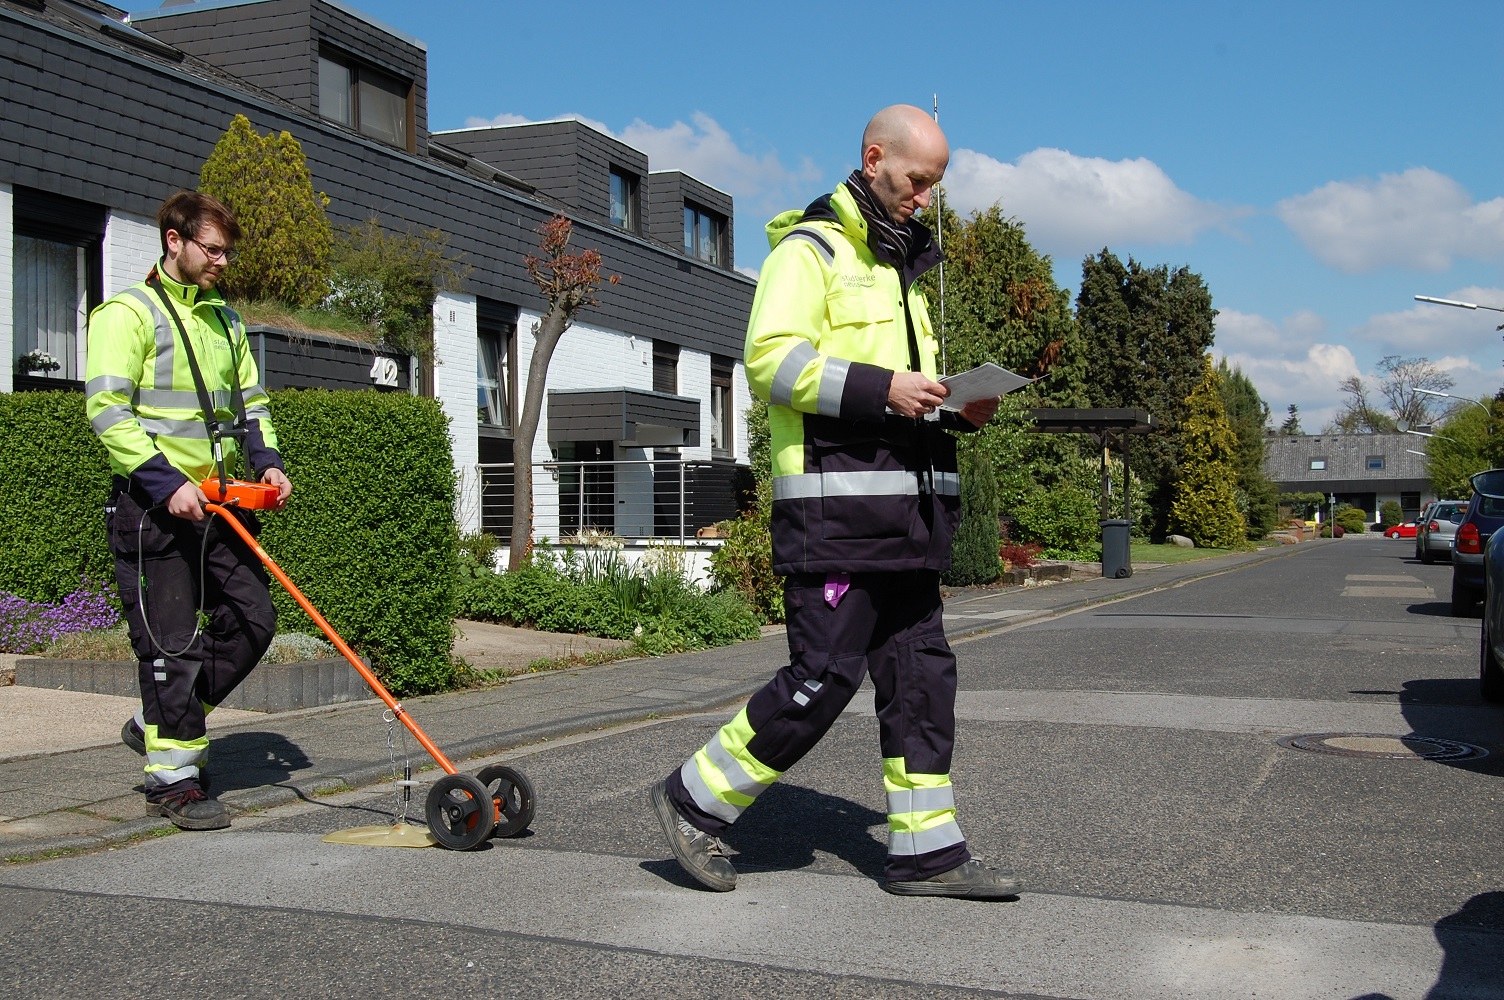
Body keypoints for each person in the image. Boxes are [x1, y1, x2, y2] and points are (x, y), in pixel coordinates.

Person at [648, 105, 1019, 898]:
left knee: (923, 682)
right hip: (836, 520)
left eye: (936, 186)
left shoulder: (901, 270)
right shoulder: (809, 251)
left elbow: (906, 396)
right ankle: (692, 803)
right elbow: (770, 364)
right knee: (822, 678)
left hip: (906, 525)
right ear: (874, 157)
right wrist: (887, 388)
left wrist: (955, 405)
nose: (926, 197)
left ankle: (928, 856)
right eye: (919, 180)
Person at [86, 190, 292, 830]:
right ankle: (172, 780)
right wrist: (162, 479)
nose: (222, 262)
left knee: (255, 621)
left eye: (227, 252)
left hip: (221, 505)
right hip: (155, 509)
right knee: (169, 642)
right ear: (173, 240)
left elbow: (251, 404)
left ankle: (165, 715)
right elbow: (107, 412)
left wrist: (268, 461)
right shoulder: (127, 314)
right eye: (212, 249)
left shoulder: (226, 322)